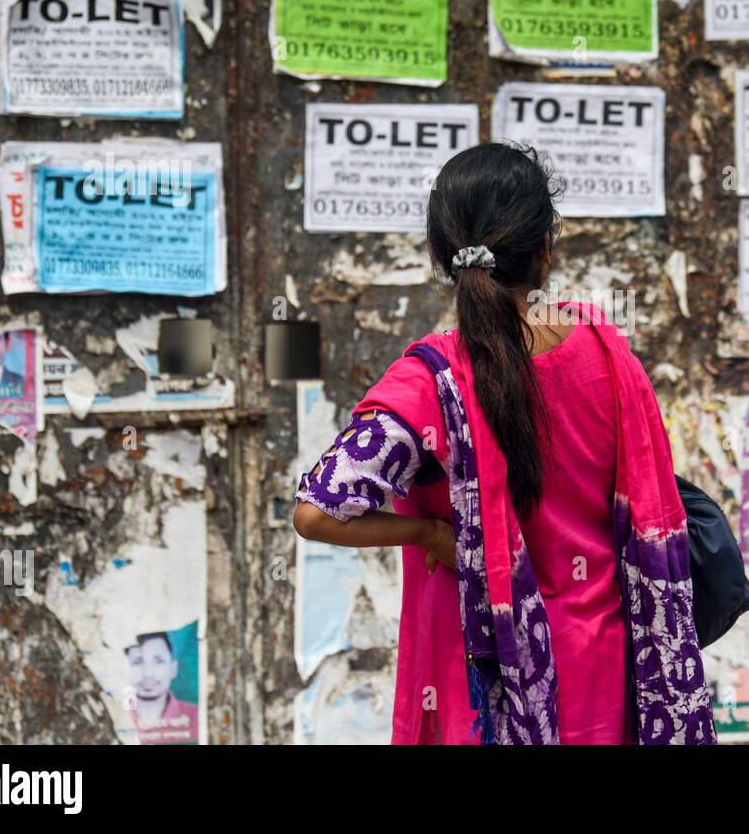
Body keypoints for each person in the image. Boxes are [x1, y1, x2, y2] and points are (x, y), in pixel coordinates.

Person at [293, 141, 715, 745]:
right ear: (544, 252)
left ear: (441, 255)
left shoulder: (430, 383)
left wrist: (428, 533)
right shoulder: (606, 351)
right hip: (606, 670)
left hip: (486, 685)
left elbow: (316, 514)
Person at [124, 631, 199, 744]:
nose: (148, 674)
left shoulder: (196, 716)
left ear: (173, 668)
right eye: (138, 662)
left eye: (158, 661)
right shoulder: (115, 715)